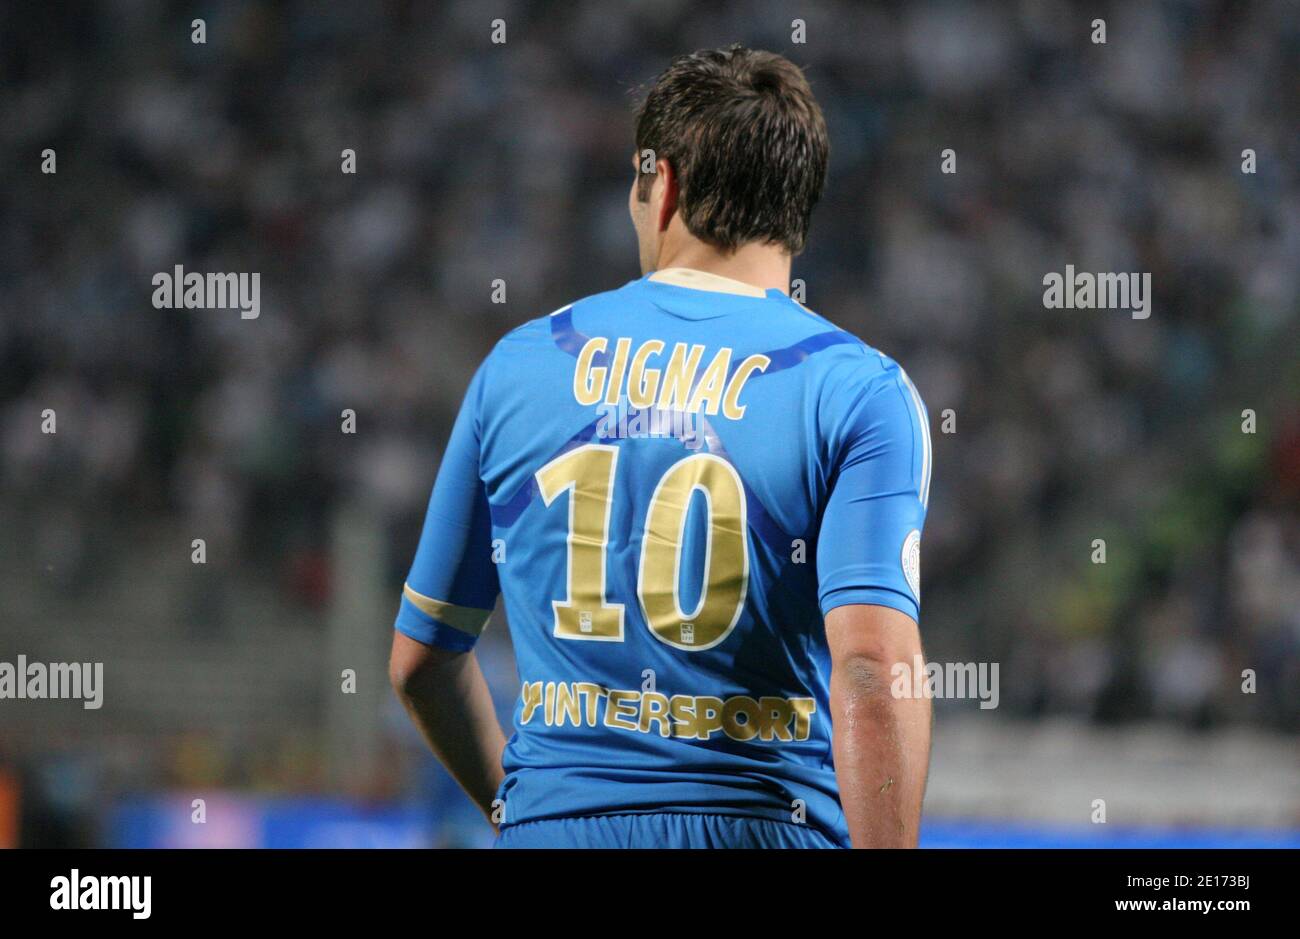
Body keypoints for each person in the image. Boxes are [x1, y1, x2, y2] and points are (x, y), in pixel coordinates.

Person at [389, 45, 932, 849]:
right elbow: (874, 670)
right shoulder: (858, 390)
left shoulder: (519, 366)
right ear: (798, 208)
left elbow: (422, 661)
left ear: (663, 184)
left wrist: (525, 812)